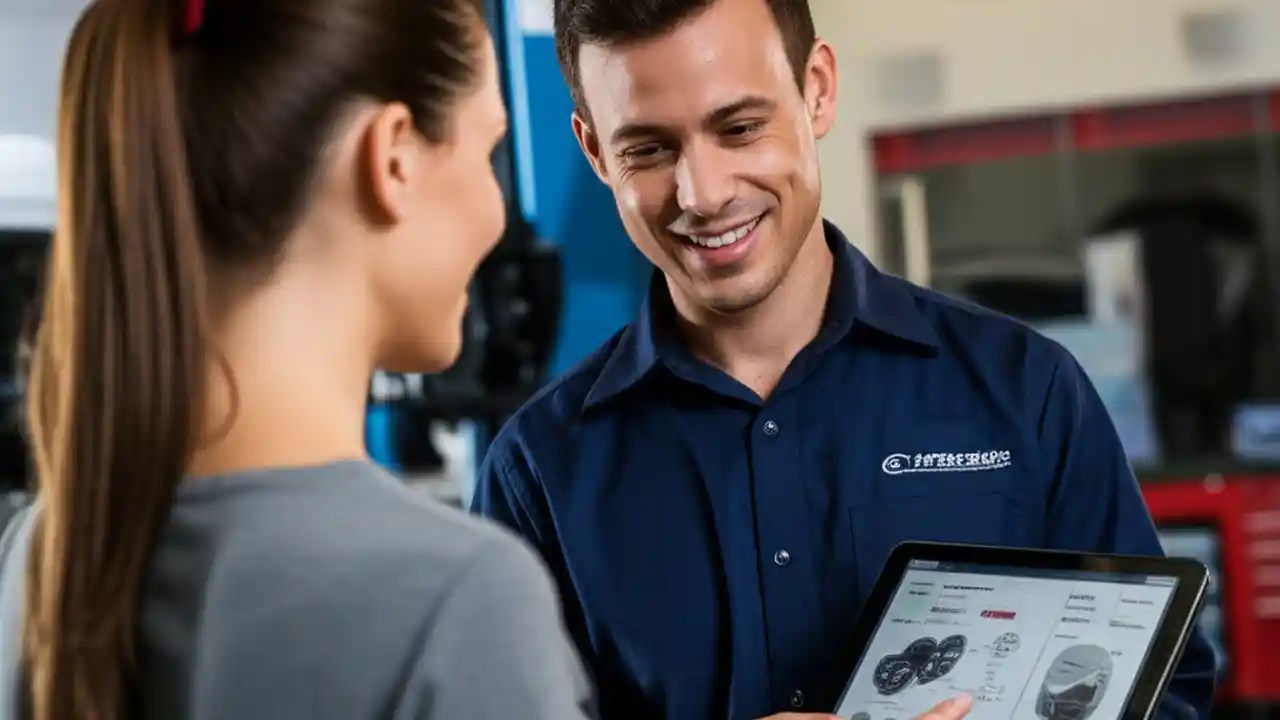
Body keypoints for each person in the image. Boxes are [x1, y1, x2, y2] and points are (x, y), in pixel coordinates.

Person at [471, 0, 1218, 718]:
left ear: (817, 90)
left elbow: (1164, 689)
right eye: (649, 149)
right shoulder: (538, 473)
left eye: (738, 127)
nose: (702, 194)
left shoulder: (1027, 393)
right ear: (596, 151)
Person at [4, 0, 601, 718]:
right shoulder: (459, 601)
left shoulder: (44, 555)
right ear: (394, 158)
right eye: (486, 152)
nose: (496, 211)